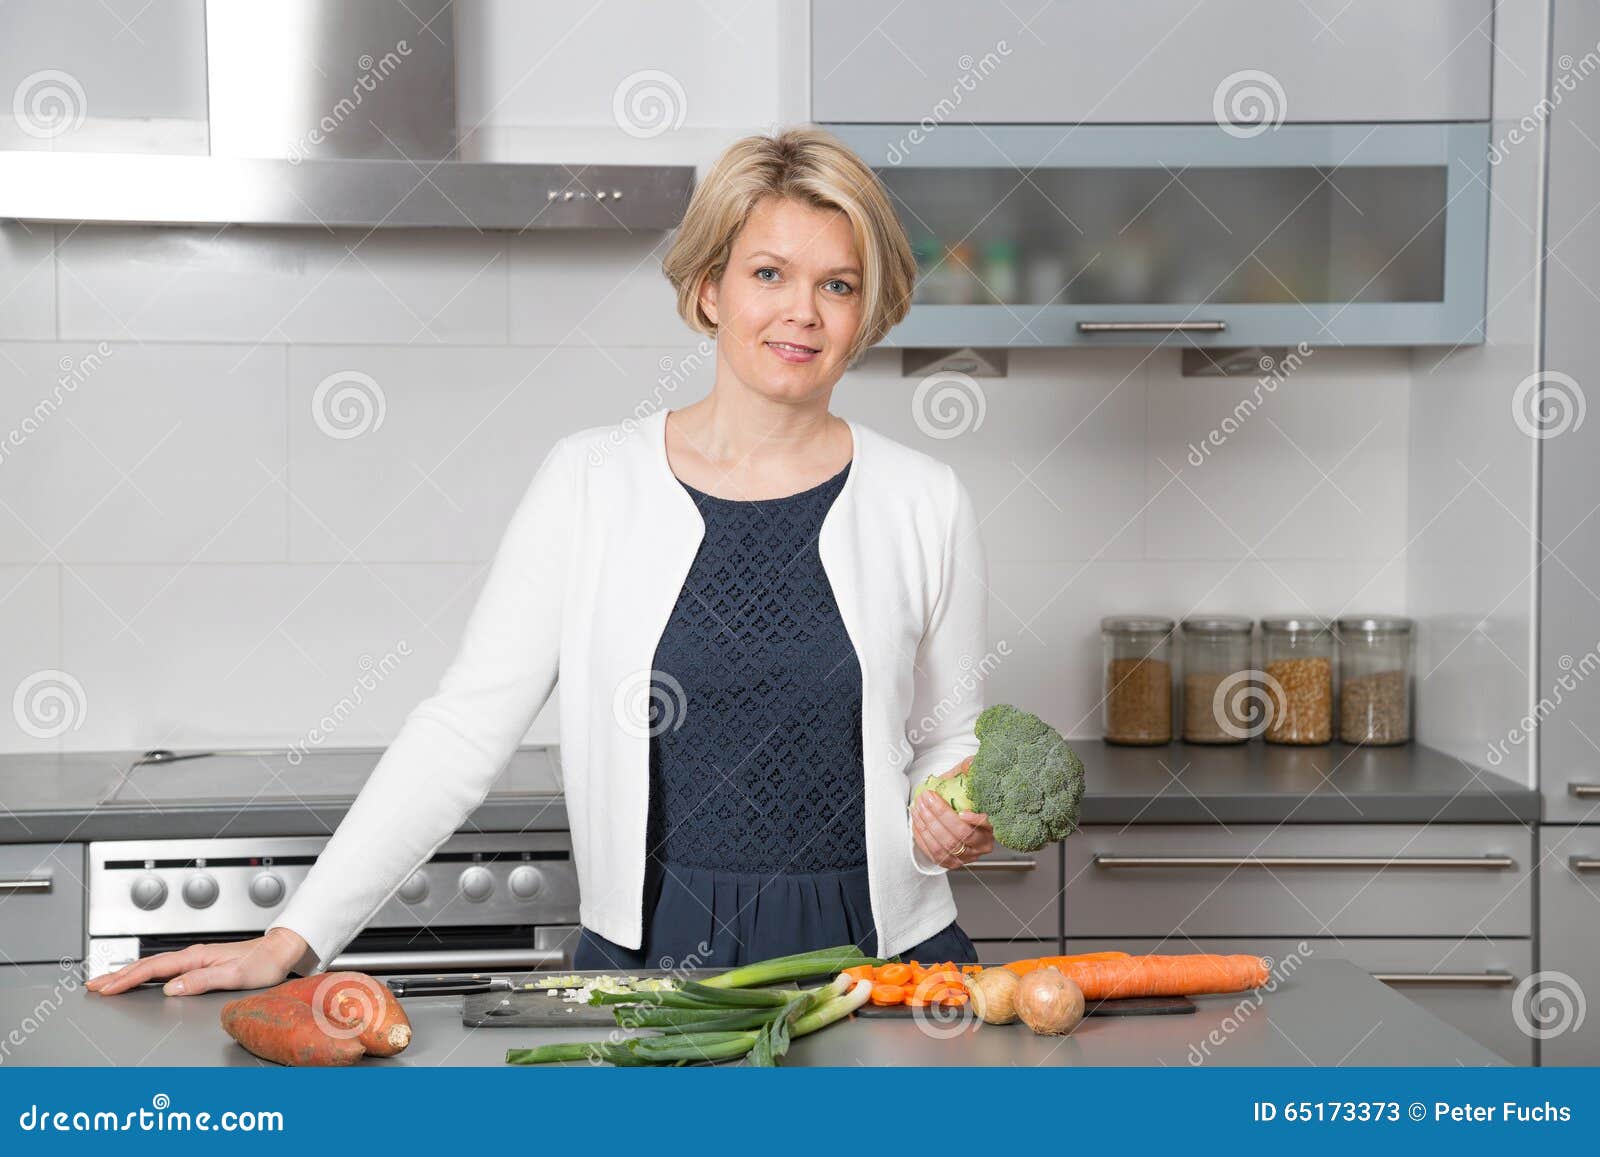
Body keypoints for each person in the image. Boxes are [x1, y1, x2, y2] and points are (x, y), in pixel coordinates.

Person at [87, 126, 994, 999]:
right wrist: (296, 934)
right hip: (652, 963)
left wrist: (944, 813)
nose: (802, 310)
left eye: (836, 284)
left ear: (867, 306)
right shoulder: (591, 480)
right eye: (769, 273)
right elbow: (463, 729)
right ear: (712, 287)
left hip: (885, 962)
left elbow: (951, 733)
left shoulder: (923, 499)